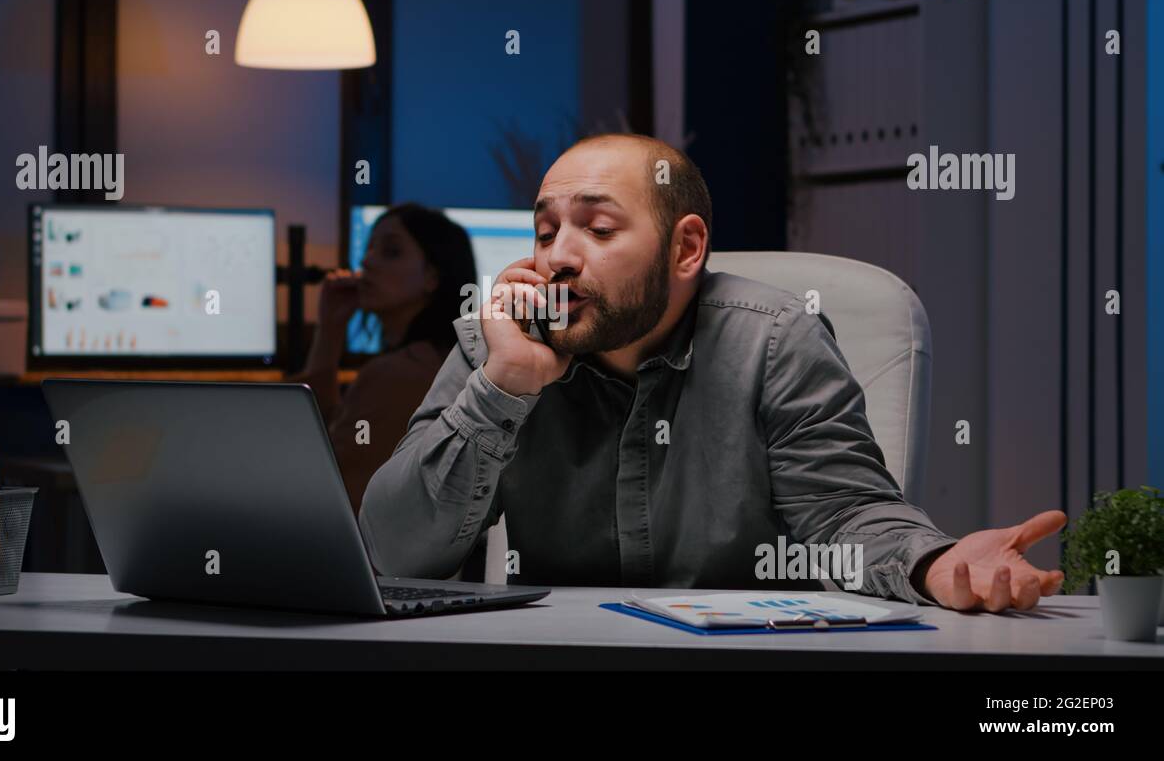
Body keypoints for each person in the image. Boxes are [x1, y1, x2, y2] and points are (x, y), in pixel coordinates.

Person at [359, 134, 1067, 612]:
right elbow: (393, 551)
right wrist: (501, 390)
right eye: (545, 232)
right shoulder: (499, 346)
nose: (557, 258)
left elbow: (845, 513)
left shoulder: (775, 340)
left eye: (598, 229)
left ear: (686, 247)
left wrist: (935, 562)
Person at [298, 203, 476, 514]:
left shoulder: (397, 374)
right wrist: (331, 329)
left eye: (390, 252)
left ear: (432, 277)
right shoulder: (443, 359)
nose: (366, 261)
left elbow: (320, 469)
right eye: (368, 249)